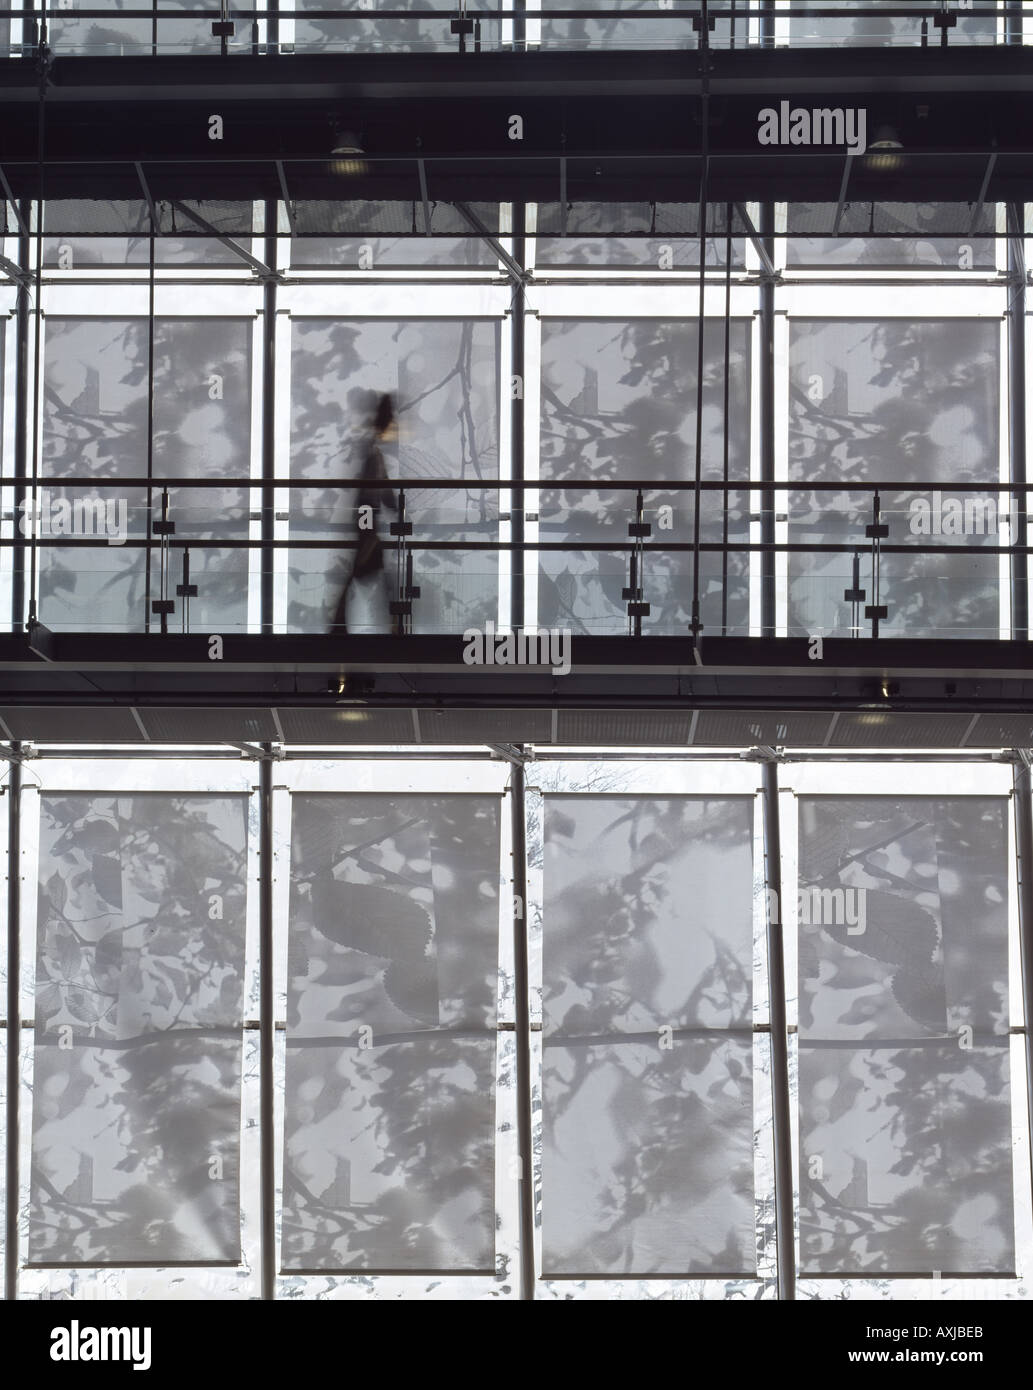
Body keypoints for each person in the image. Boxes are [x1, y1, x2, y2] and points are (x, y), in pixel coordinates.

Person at [329, 392, 399, 634]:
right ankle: (392, 627)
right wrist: (371, 526)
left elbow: (381, 484)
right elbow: (374, 488)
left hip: (368, 526)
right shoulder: (374, 451)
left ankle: (340, 626)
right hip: (368, 527)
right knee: (367, 576)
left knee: (369, 576)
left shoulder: (374, 450)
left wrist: (392, 505)